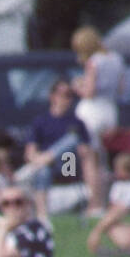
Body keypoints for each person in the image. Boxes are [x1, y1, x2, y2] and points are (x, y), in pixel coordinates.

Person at [16, 79, 92, 221]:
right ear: (52, 96)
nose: (66, 99)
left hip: (68, 164)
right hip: (46, 167)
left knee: (72, 139)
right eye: (62, 94)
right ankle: (42, 214)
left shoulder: (77, 122)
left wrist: (45, 158)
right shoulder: (40, 121)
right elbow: (30, 152)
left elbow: (85, 151)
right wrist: (39, 160)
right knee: (43, 170)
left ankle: (45, 160)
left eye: (69, 95)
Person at [70, 26, 125, 212]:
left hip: (92, 112)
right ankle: (103, 201)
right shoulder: (117, 59)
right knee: (102, 160)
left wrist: (78, 86)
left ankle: (95, 204)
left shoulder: (93, 62)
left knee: (89, 160)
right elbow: (121, 89)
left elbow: (90, 92)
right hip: (110, 110)